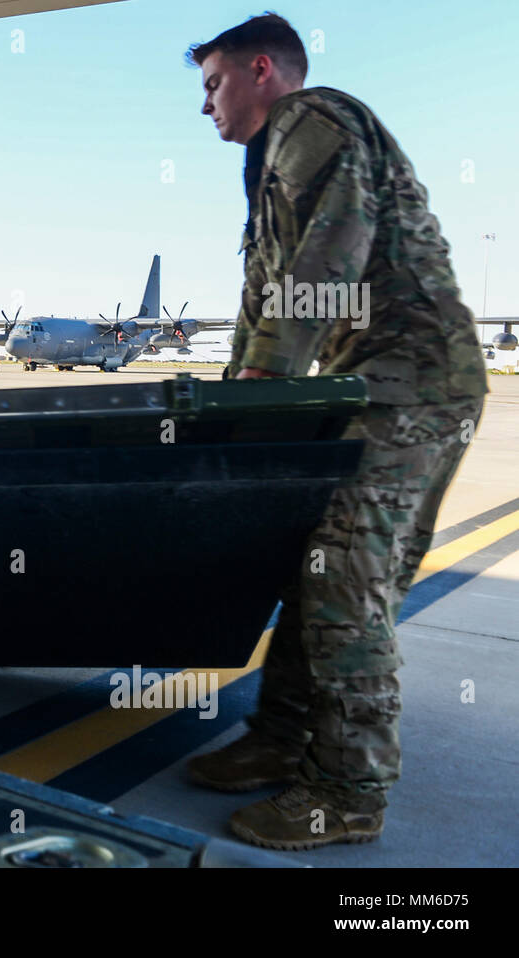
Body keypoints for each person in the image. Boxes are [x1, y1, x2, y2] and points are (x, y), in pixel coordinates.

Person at [183, 14, 487, 849]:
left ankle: (348, 791)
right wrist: (236, 408)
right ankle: (282, 738)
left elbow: (330, 259)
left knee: (347, 570)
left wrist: (265, 381)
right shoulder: (271, 162)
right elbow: (262, 299)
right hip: (367, 383)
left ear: (260, 71)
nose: (204, 106)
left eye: (212, 85)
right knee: (306, 555)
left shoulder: (312, 122)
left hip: (417, 380)